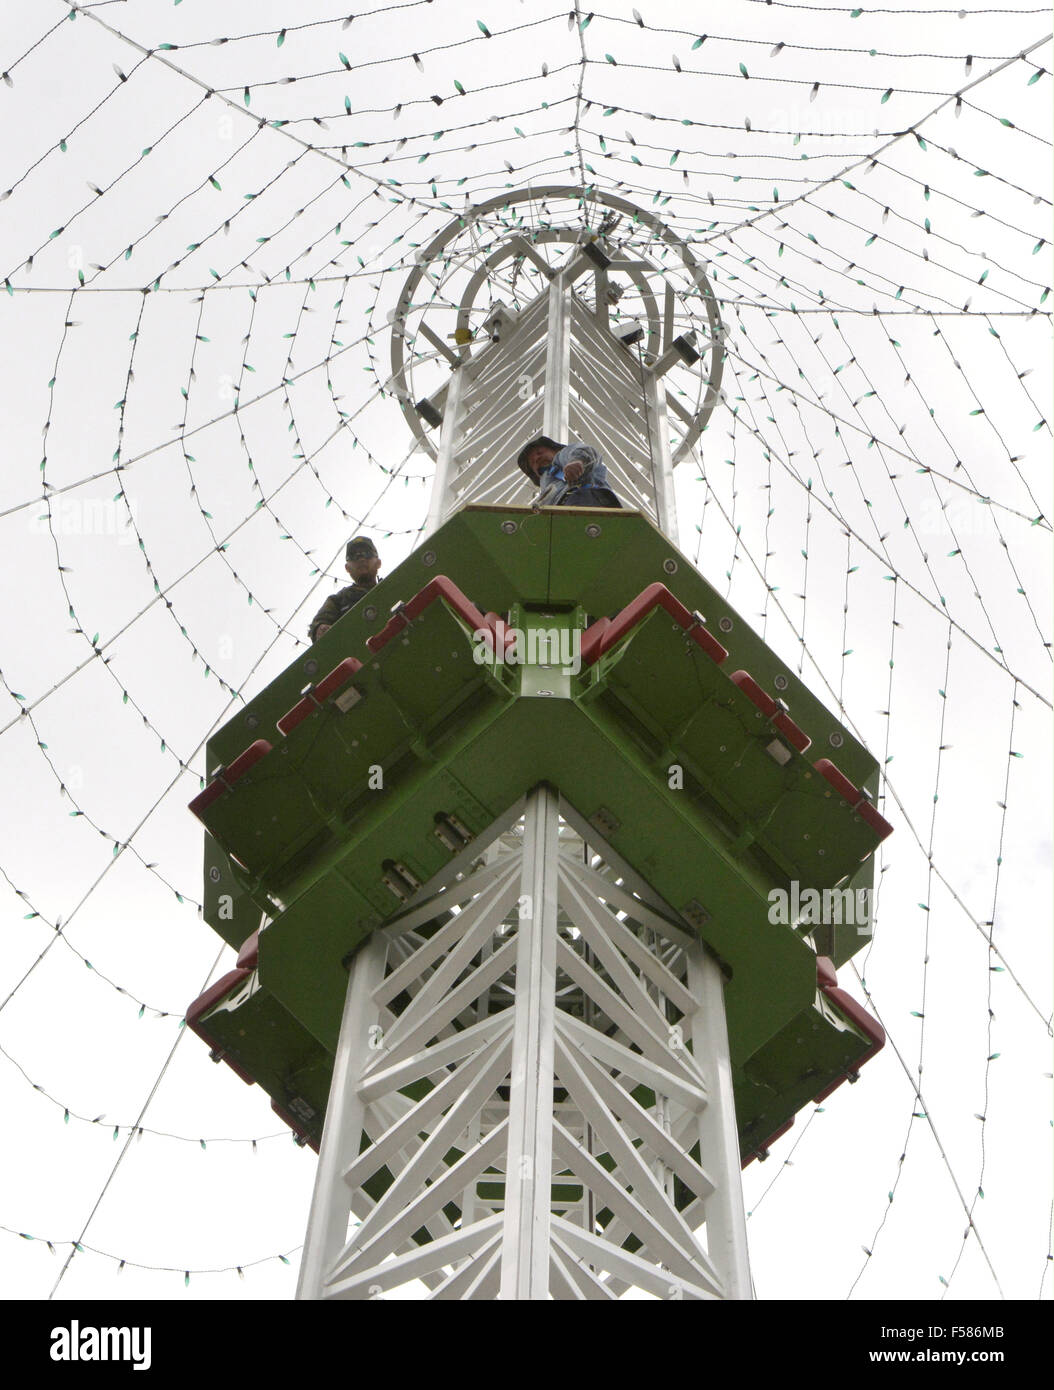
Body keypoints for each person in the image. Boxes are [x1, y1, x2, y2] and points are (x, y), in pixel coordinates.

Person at [515, 436, 622, 509]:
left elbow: (583, 451)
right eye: (533, 462)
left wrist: (577, 461)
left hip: (584, 499)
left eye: (540, 452)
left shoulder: (563, 455)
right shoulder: (546, 485)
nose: (537, 459)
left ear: (555, 450)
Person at [309, 536, 382, 642]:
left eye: (367, 554)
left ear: (378, 563)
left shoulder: (394, 586)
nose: (361, 559)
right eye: (354, 556)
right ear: (347, 568)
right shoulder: (338, 600)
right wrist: (319, 629)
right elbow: (318, 624)